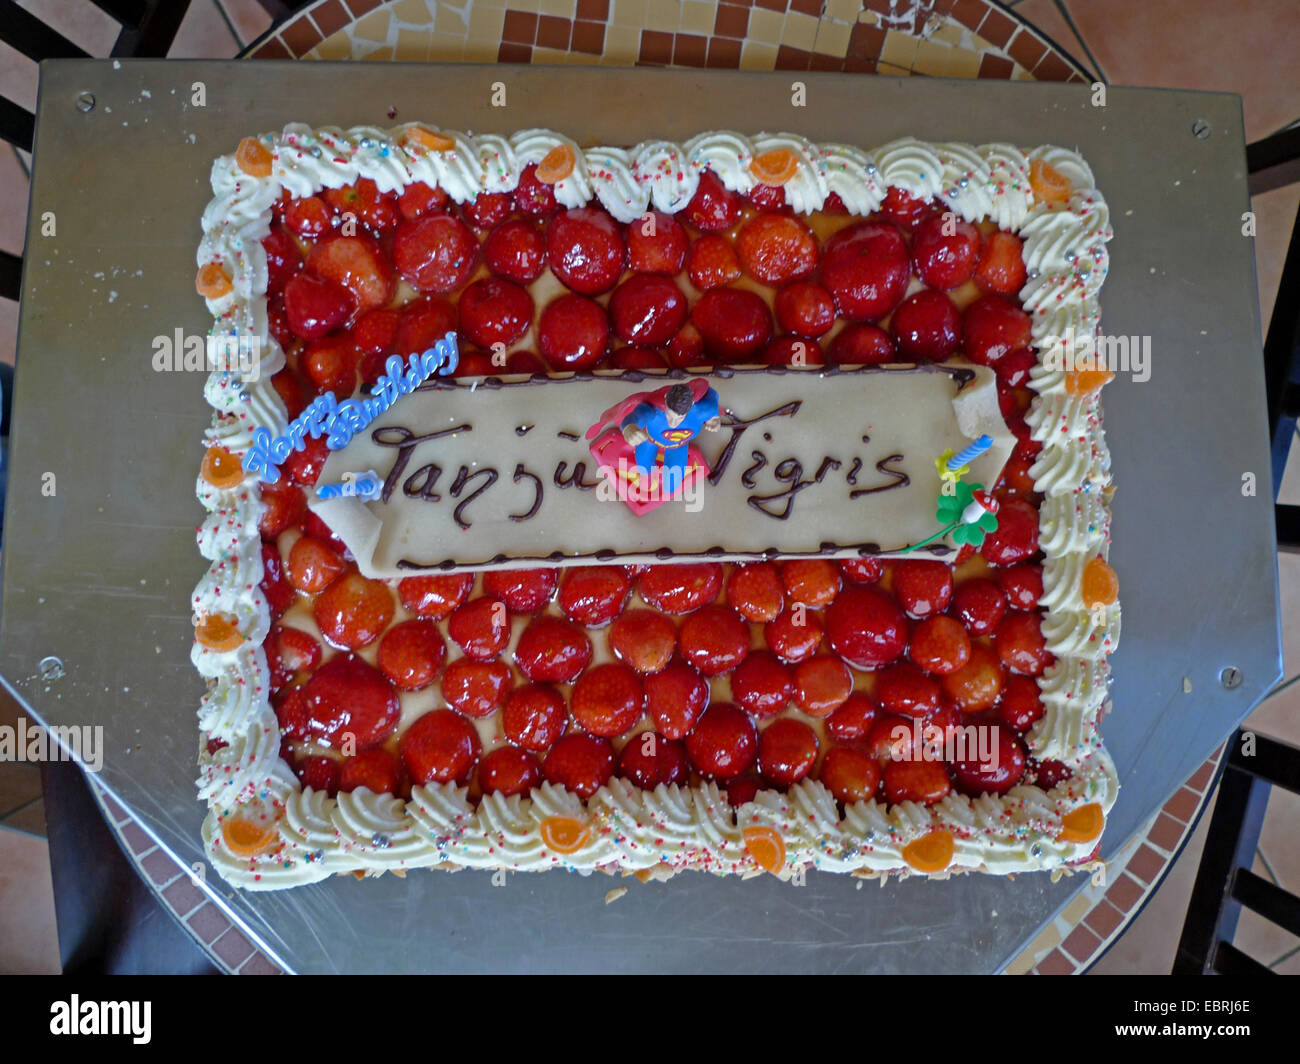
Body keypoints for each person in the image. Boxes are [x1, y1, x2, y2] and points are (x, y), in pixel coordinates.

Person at [620, 381, 720, 495]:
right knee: (643, 468)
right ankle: (648, 473)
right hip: (649, 440)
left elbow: (711, 393)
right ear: (666, 398)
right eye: (669, 414)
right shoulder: (654, 410)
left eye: (680, 418)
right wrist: (628, 427)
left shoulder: (702, 410)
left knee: (671, 486)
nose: (673, 423)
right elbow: (635, 416)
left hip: (678, 446)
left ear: (691, 404)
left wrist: (715, 418)